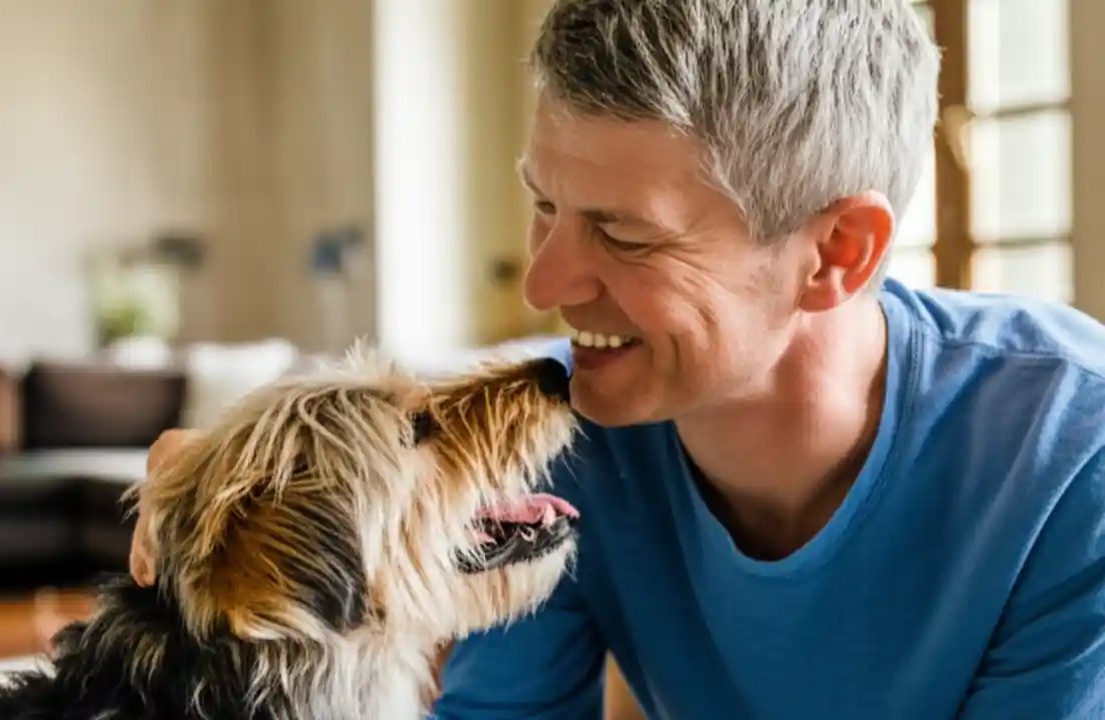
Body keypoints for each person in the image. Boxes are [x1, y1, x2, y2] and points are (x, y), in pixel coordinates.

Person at [132, 1, 1105, 717]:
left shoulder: (1069, 459)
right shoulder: (565, 434)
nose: (546, 283)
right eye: (544, 206)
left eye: (624, 236)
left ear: (834, 253)